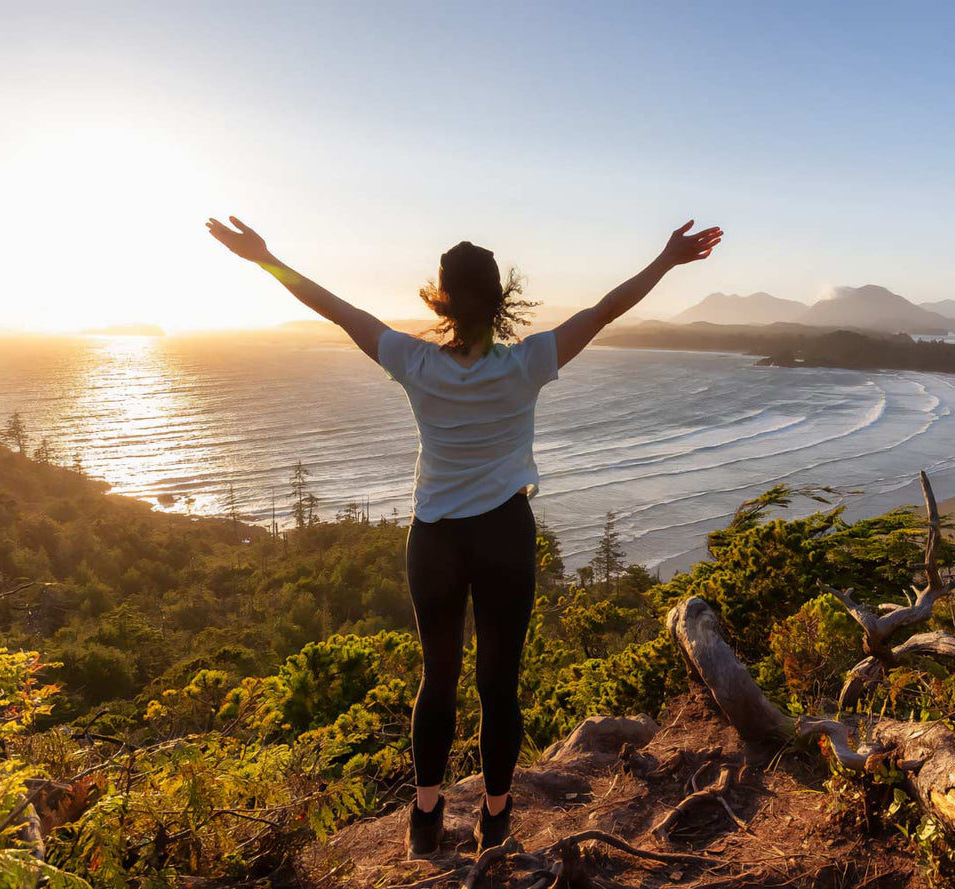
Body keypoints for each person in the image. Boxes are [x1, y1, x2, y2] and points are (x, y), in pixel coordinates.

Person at [206, 215, 722, 854]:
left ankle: (425, 816)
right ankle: (497, 818)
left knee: (438, 675)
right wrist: (667, 258)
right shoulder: (530, 361)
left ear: (441, 299)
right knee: (499, 681)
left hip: (436, 541)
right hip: (505, 534)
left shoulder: (414, 361)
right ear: (502, 301)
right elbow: (607, 307)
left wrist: (264, 257)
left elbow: (336, 308)